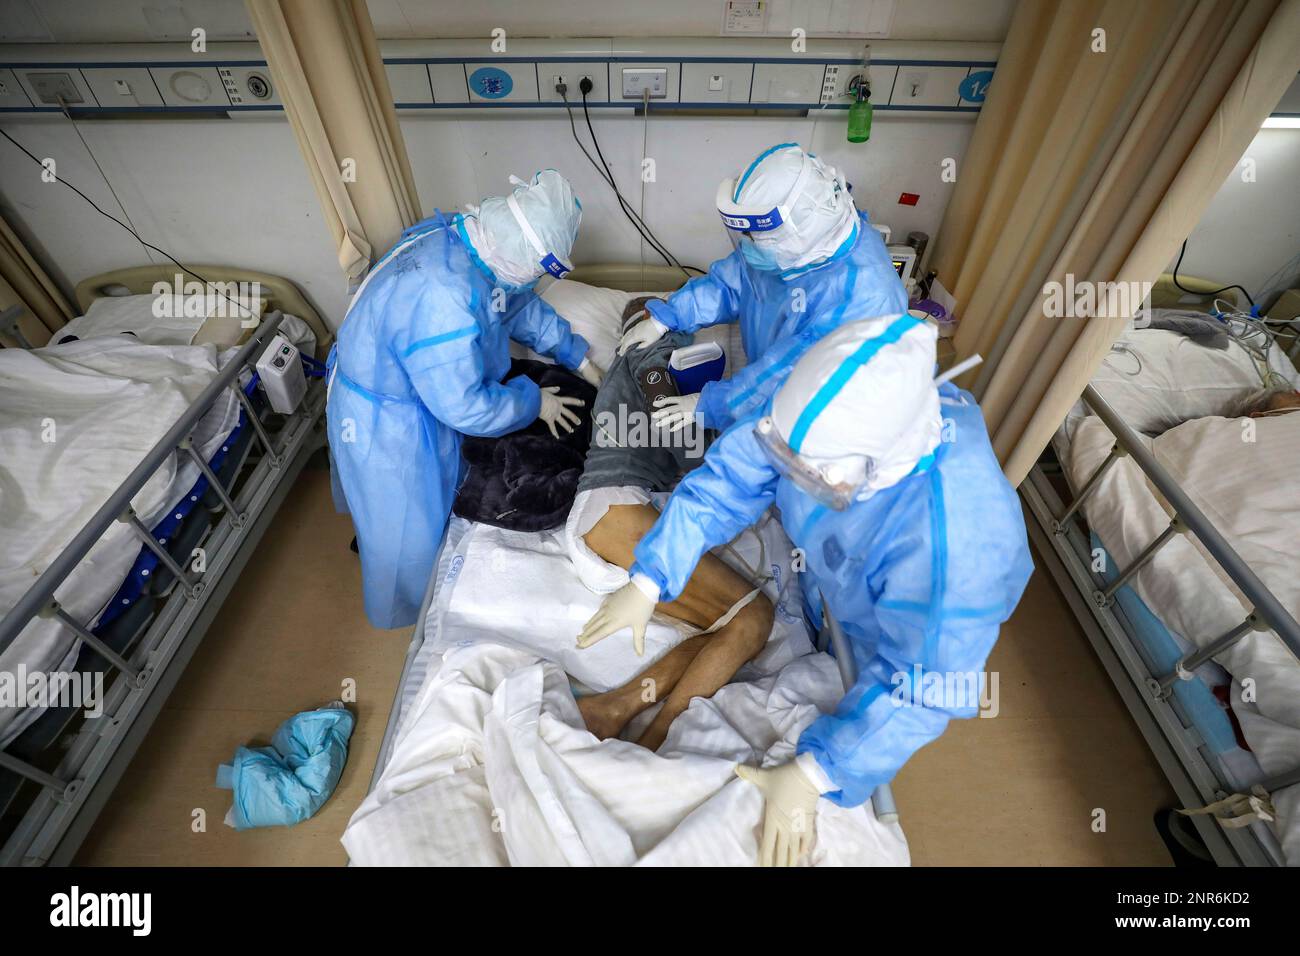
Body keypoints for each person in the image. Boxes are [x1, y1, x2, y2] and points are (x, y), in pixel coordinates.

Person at [578, 314, 1033, 865]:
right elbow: (734, 479)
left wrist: (816, 774)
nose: (789, 474)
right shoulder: (817, 405)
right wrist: (653, 575)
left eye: (808, 472)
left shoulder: (958, 553)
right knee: (776, 612)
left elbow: (923, 686)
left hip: (883, 615)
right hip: (825, 568)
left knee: (867, 678)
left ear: (867, 471)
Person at [327, 170, 601, 629]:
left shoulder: (467, 241)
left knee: (409, 508)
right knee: (403, 533)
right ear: (519, 251)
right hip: (388, 422)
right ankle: (411, 615)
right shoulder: (443, 298)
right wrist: (535, 402)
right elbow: (467, 408)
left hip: (405, 386)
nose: (532, 279)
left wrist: (579, 356)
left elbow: (514, 302)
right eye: (539, 269)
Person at [617, 142, 907, 435]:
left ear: (795, 234)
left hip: (819, 421)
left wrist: (709, 404)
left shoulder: (868, 300)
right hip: (769, 384)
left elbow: (792, 377)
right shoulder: (792, 250)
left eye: (757, 236)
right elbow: (730, 284)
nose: (749, 244)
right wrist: (664, 317)